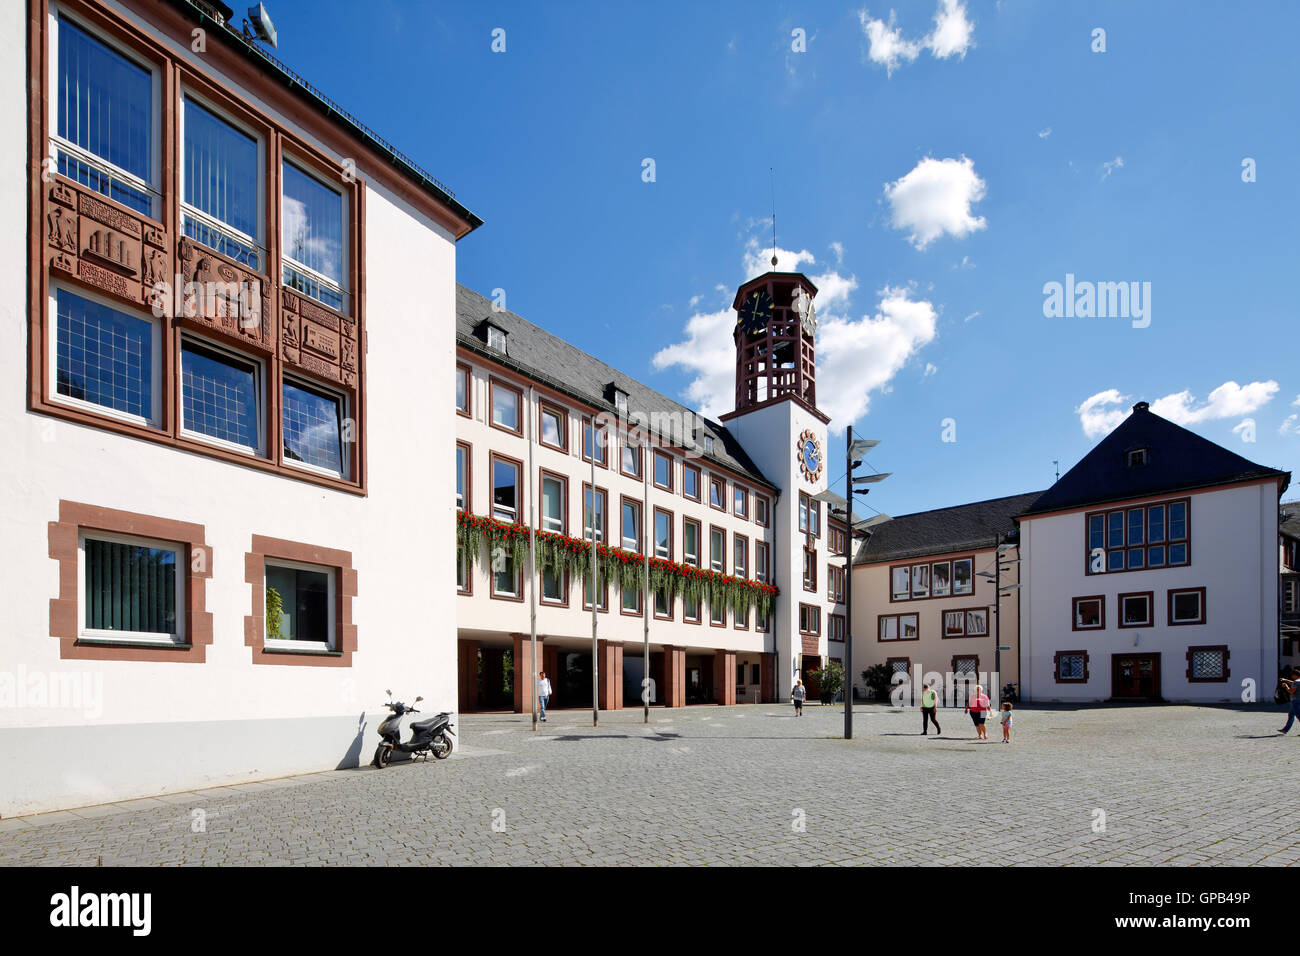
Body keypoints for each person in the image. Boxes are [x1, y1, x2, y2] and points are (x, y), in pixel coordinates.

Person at [1278, 670, 1300, 734]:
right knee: (1291, 715)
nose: (1291, 676)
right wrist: (1285, 680)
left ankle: (1285, 730)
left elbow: (1291, 691)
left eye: (1292, 675)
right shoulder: (1297, 681)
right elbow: (1293, 683)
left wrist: (1286, 686)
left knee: (1299, 716)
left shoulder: (1296, 682)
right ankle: (1285, 729)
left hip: (1296, 701)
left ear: (1295, 675)